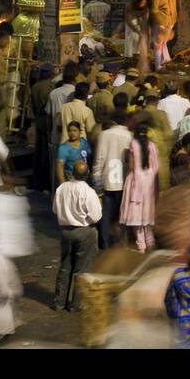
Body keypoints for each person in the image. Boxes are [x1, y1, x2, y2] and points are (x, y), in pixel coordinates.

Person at [52, 161, 101, 311]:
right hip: (84, 232)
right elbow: (96, 217)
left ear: (72, 172)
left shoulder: (62, 188)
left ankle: (59, 302)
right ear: (87, 175)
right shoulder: (88, 192)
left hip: (66, 231)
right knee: (82, 269)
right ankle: (76, 304)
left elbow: (55, 209)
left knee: (65, 267)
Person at [92, 108, 131, 249]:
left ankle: (105, 243)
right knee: (121, 215)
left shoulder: (104, 135)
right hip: (123, 180)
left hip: (107, 180)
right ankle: (119, 242)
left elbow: (99, 158)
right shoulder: (129, 136)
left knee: (105, 215)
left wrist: (96, 177)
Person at [121, 122, 160, 252]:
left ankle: (141, 245)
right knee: (147, 213)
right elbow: (156, 166)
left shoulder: (133, 144)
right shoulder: (152, 145)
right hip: (149, 181)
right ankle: (150, 241)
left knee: (136, 215)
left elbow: (132, 165)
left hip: (136, 180)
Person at [56, 120, 91, 184]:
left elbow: (90, 157)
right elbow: (59, 167)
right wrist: (63, 185)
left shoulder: (84, 142)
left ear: (80, 132)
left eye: (74, 130)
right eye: (69, 131)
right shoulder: (64, 148)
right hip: (71, 179)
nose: (72, 133)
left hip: (86, 178)